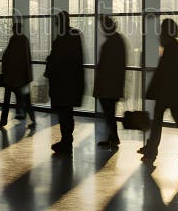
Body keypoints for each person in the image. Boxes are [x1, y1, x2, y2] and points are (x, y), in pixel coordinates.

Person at [139, 18, 178, 164]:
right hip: (172, 92)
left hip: (166, 92)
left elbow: (165, 72)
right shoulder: (174, 45)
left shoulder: (170, 47)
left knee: (158, 121)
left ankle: (152, 150)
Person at [45, 11, 85, 154]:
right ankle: (67, 141)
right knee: (67, 113)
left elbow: (56, 61)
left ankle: (66, 141)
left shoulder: (61, 39)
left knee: (64, 114)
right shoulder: (75, 36)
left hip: (62, 83)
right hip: (71, 82)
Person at [0, 18, 36, 129]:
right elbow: (25, 60)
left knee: (7, 101)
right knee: (26, 100)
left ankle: (3, 121)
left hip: (13, 78)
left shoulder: (15, 40)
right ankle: (32, 120)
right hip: (21, 79)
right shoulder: (23, 40)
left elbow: (9, 56)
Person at [93, 15, 126, 149]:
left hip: (108, 86)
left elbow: (107, 66)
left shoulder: (112, 42)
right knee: (110, 113)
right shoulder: (117, 41)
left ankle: (114, 137)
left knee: (109, 113)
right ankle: (113, 137)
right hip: (112, 85)